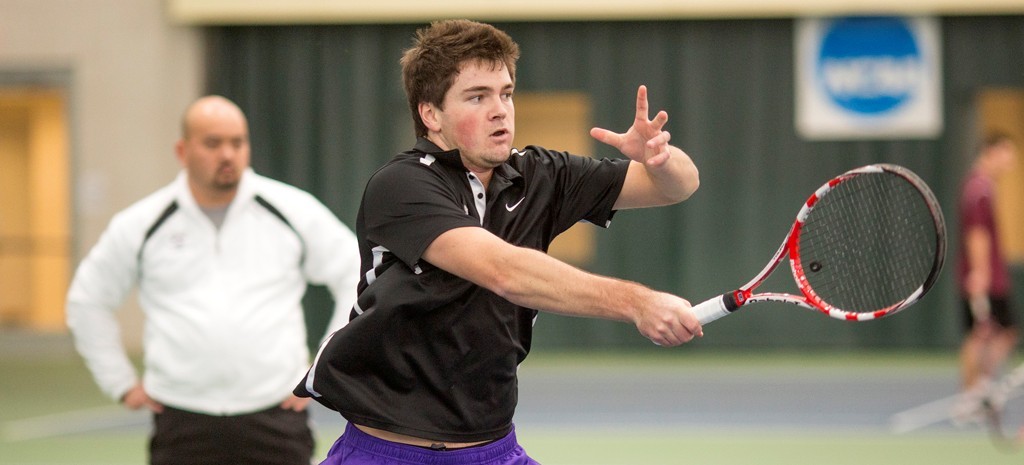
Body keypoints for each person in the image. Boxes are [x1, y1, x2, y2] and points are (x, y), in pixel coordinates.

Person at [294, 19, 702, 465]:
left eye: (505, 93)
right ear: (431, 114)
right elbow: (503, 271)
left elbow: (676, 187)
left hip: (494, 449)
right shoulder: (401, 185)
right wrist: (637, 302)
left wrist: (660, 160)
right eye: (477, 96)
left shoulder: (541, 173)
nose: (500, 109)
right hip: (386, 451)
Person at [66, 95, 361, 465]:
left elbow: (355, 272)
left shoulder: (291, 210)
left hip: (275, 415)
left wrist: (324, 368)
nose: (227, 154)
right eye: (213, 143)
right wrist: (120, 382)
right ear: (182, 150)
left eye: (237, 142)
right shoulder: (142, 223)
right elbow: (88, 300)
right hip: (181, 420)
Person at [954, 132, 1019, 416]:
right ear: (990, 152)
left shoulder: (983, 187)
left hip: (991, 275)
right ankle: (972, 396)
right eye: (1007, 155)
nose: (1011, 162)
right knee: (980, 335)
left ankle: (980, 389)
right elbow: (976, 234)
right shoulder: (978, 189)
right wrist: (980, 273)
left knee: (996, 333)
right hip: (985, 277)